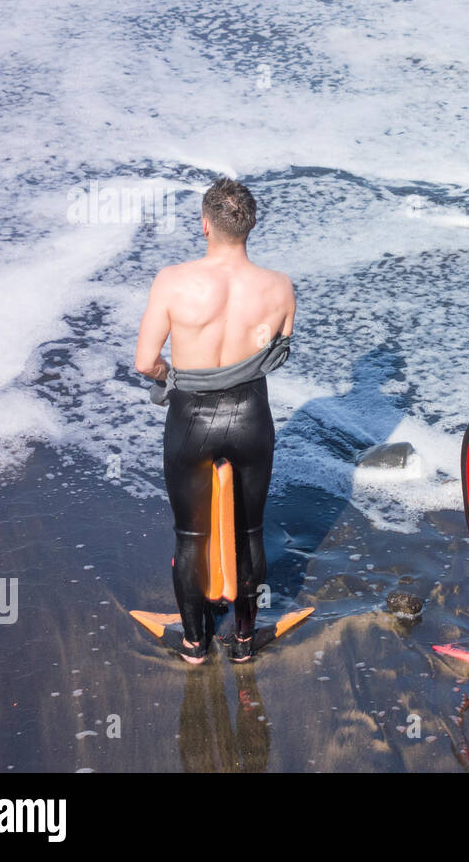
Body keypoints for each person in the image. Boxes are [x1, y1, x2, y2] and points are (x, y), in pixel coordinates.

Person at [134, 178, 295, 663]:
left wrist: (174, 378)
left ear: (205, 225)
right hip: (250, 418)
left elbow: (145, 361)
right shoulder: (280, 287)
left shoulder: (171, 280)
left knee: (190, 535)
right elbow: (278, 353)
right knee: (250, 533)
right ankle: (244, 641)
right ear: (250, 226)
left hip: (191, 421)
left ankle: (194, 642)